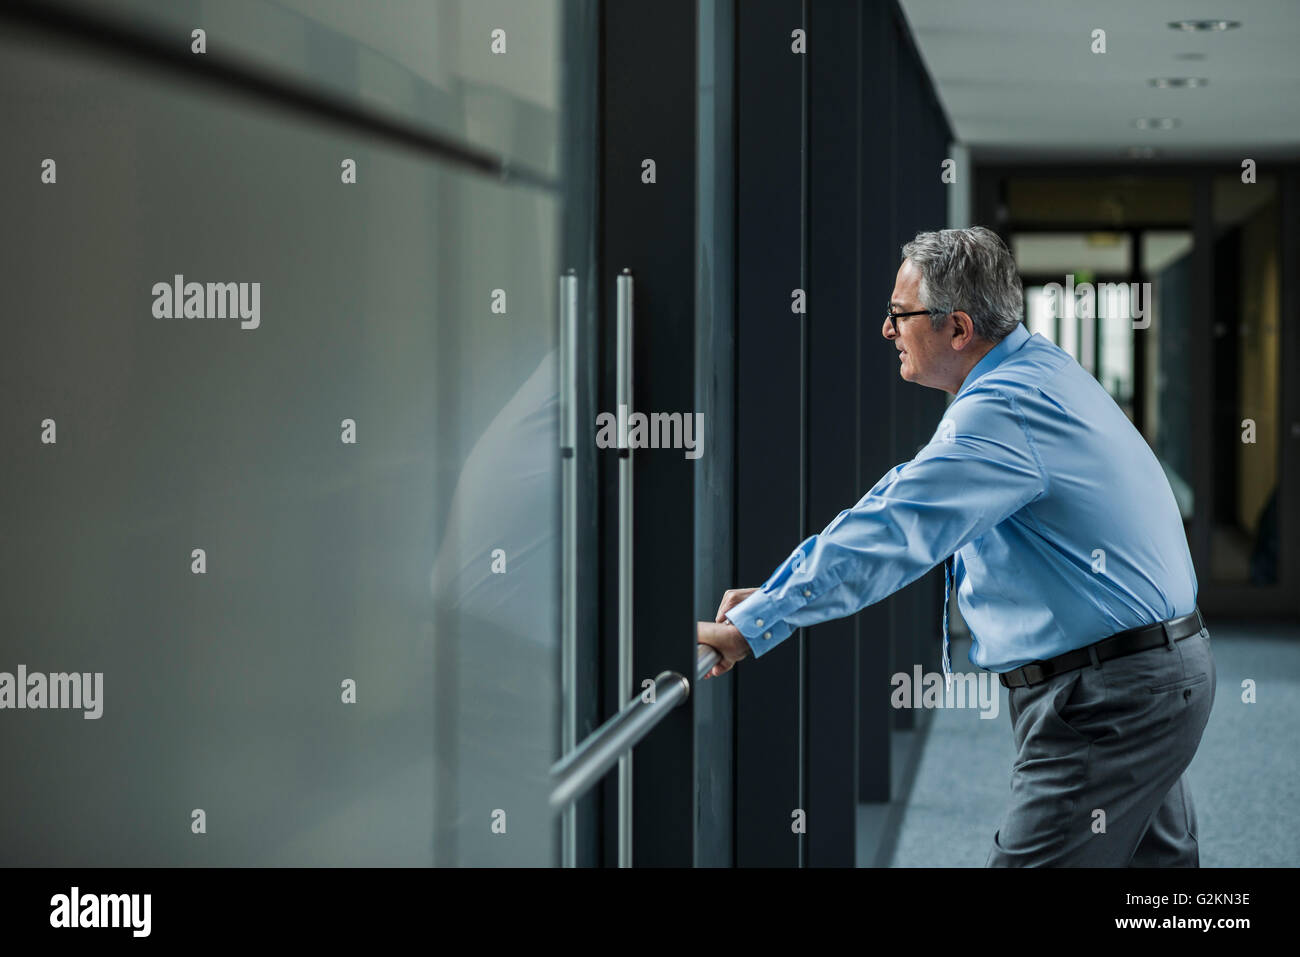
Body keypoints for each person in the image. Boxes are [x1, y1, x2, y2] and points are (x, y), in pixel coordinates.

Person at [696, 226, 1216, 867]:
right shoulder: (1039, 371)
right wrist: (778, 592)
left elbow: (895, 528)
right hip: (1154, 675)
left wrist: (758, 622)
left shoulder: (1006, 409)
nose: (887, 330)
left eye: (899, 315)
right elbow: (899, 501)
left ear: (959, 328)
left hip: (1111, 696)